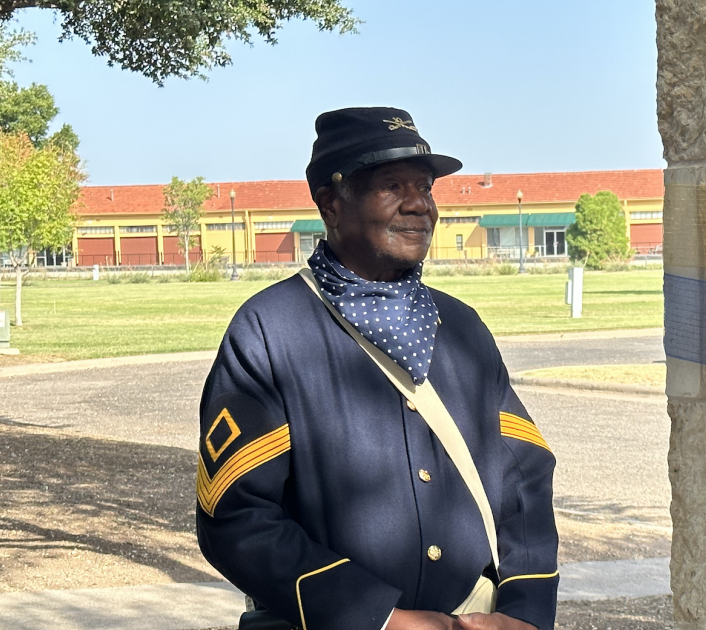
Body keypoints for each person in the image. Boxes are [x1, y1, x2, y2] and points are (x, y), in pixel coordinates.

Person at [196, 107, 558, 630]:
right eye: (392, 186)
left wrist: (524, 611)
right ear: (330, 203)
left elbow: (525, 476)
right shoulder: (270, 330)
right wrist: (377, 618)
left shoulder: (462, 327)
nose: (419, 205)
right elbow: (234, 515)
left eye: (425, 187)